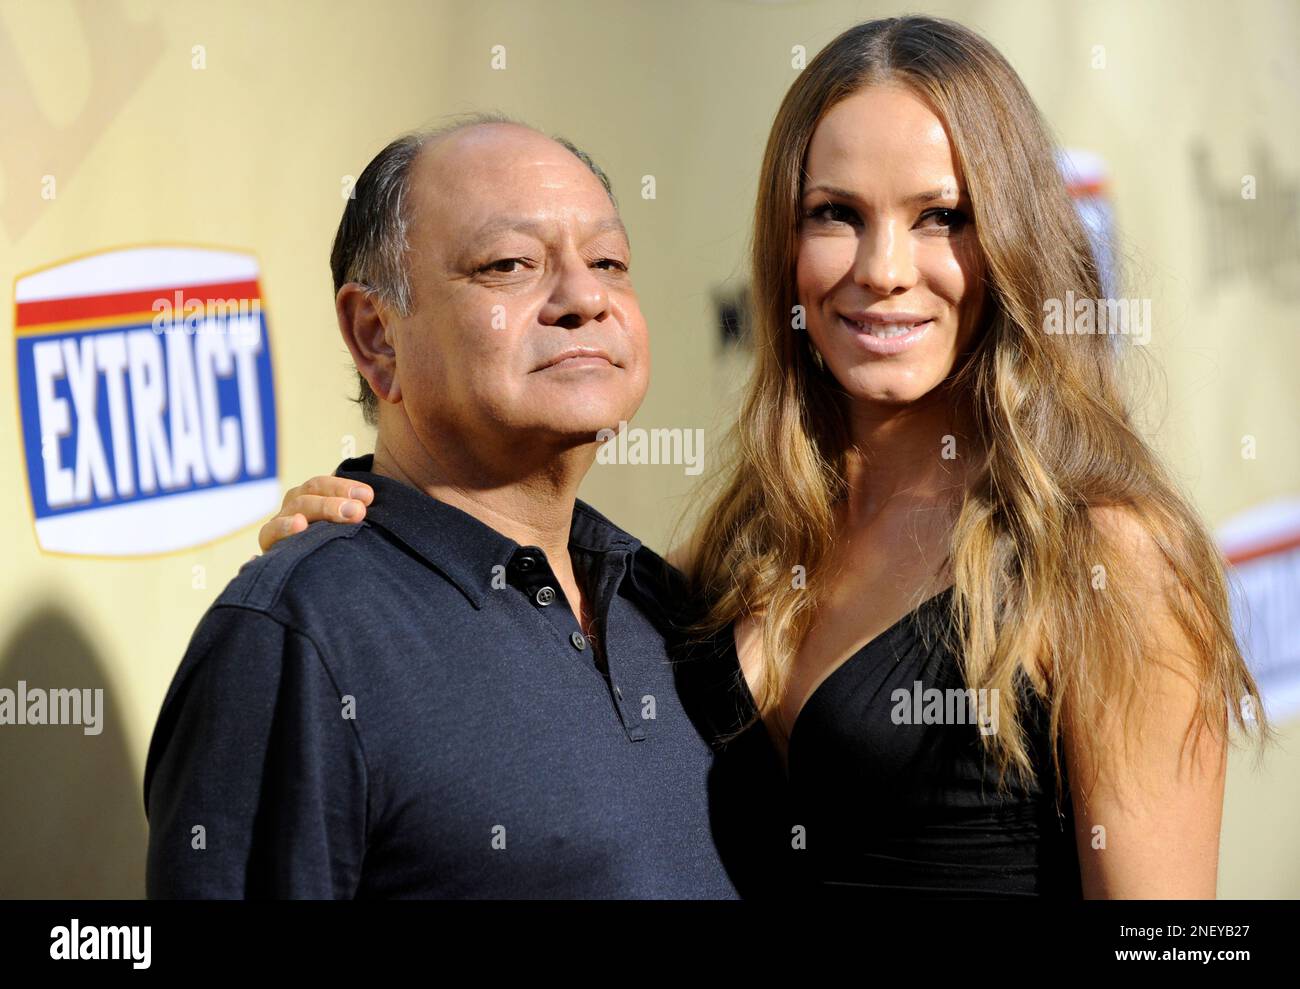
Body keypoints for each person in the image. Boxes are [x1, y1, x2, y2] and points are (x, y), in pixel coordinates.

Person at [262, 17, 1273, 898]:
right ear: (783, 246)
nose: (883, 270)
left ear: (1010, 242)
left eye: (940, 217)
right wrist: (366, 542)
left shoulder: (1103, 556)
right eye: (835, 214)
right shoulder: (746, 542)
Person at [143, 115, 784, 899]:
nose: (586, 297)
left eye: (611, 261)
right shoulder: (299, 636)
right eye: (509, 264)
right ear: (377, 335)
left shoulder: (671, 608)